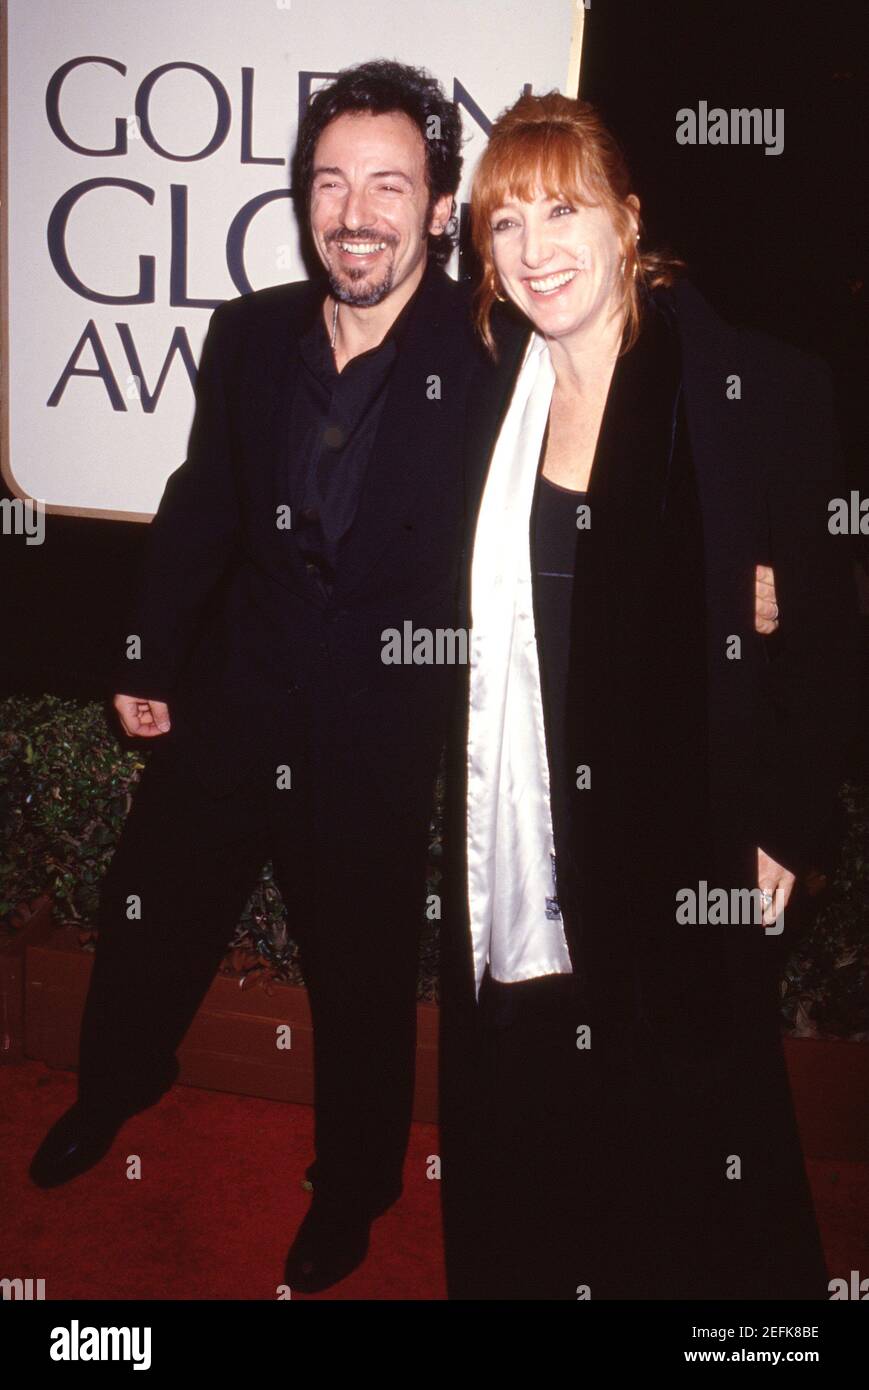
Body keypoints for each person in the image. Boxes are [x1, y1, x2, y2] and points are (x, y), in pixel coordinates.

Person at [29, 59, 483, 1295]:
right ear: (302, 198)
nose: (357, 211)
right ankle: (115, 1088)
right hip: (234, 699)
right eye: (332, 181)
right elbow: (200, 508)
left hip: (377, 729)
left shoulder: (495, 357)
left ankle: (351, 1187)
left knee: (360, 975)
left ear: (440, 205)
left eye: (390, 183)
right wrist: (146, 649)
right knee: (150, 917)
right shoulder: (245, 335)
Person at [438, 92, 861, 1301]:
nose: (534, 249)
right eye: (504, 224)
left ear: (628, 221)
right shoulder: (483, 396)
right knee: (545, 1114)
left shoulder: (755, 389)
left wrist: (785, 822)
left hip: (685, 836)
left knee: (697, 1131)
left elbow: (829, 634)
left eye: (561, 208)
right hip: (532, 824)